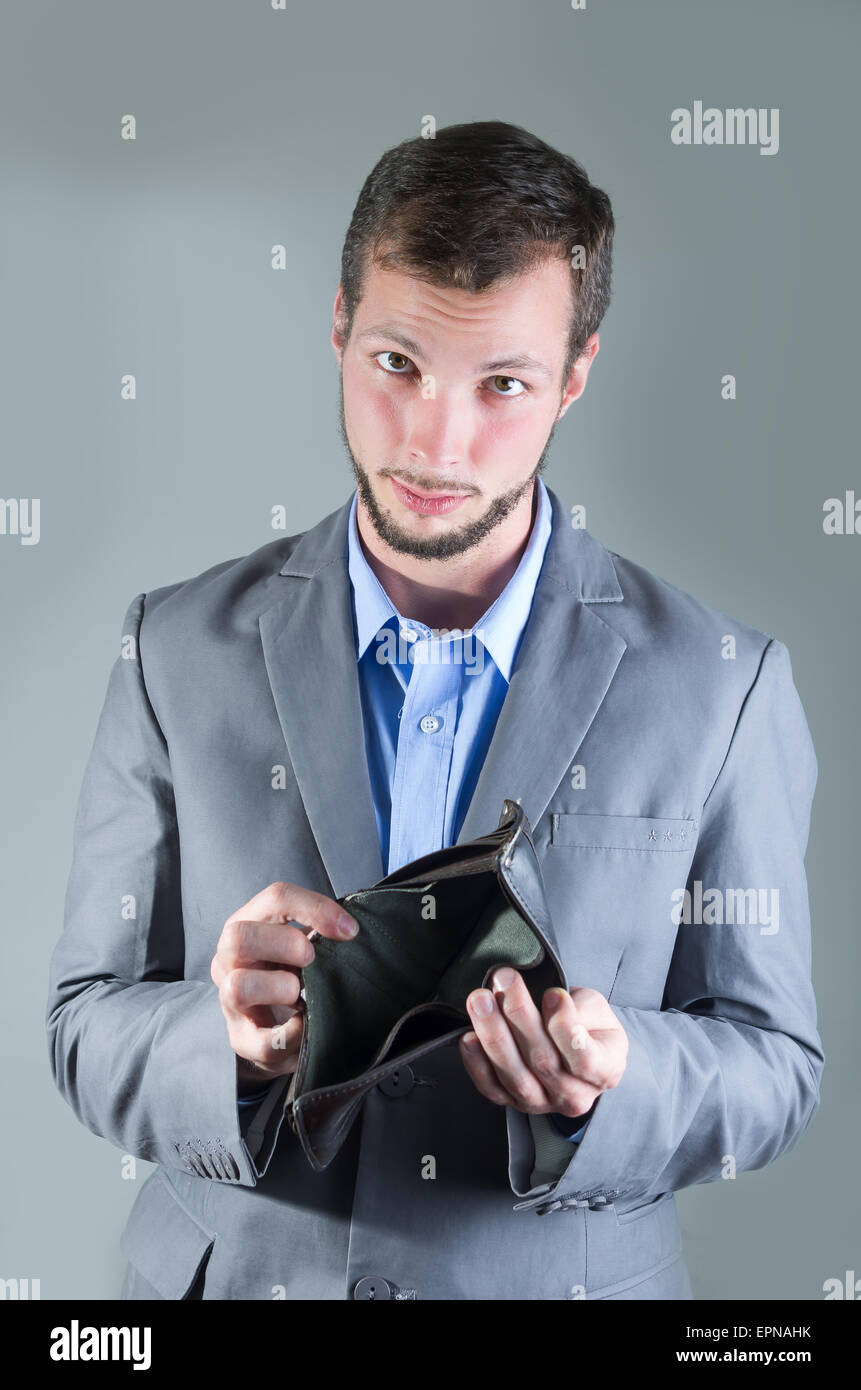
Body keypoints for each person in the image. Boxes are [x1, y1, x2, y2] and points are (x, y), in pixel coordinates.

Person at [46, 121, 823, 1301]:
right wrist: (228, 1047)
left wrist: (617, 1084)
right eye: (397, 364)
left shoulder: (724, 681)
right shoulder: (171, 648)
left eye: (502, 384)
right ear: (340, 327)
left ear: (575, 377)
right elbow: (82, 1022)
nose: (435, 442)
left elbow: (774, 1064)